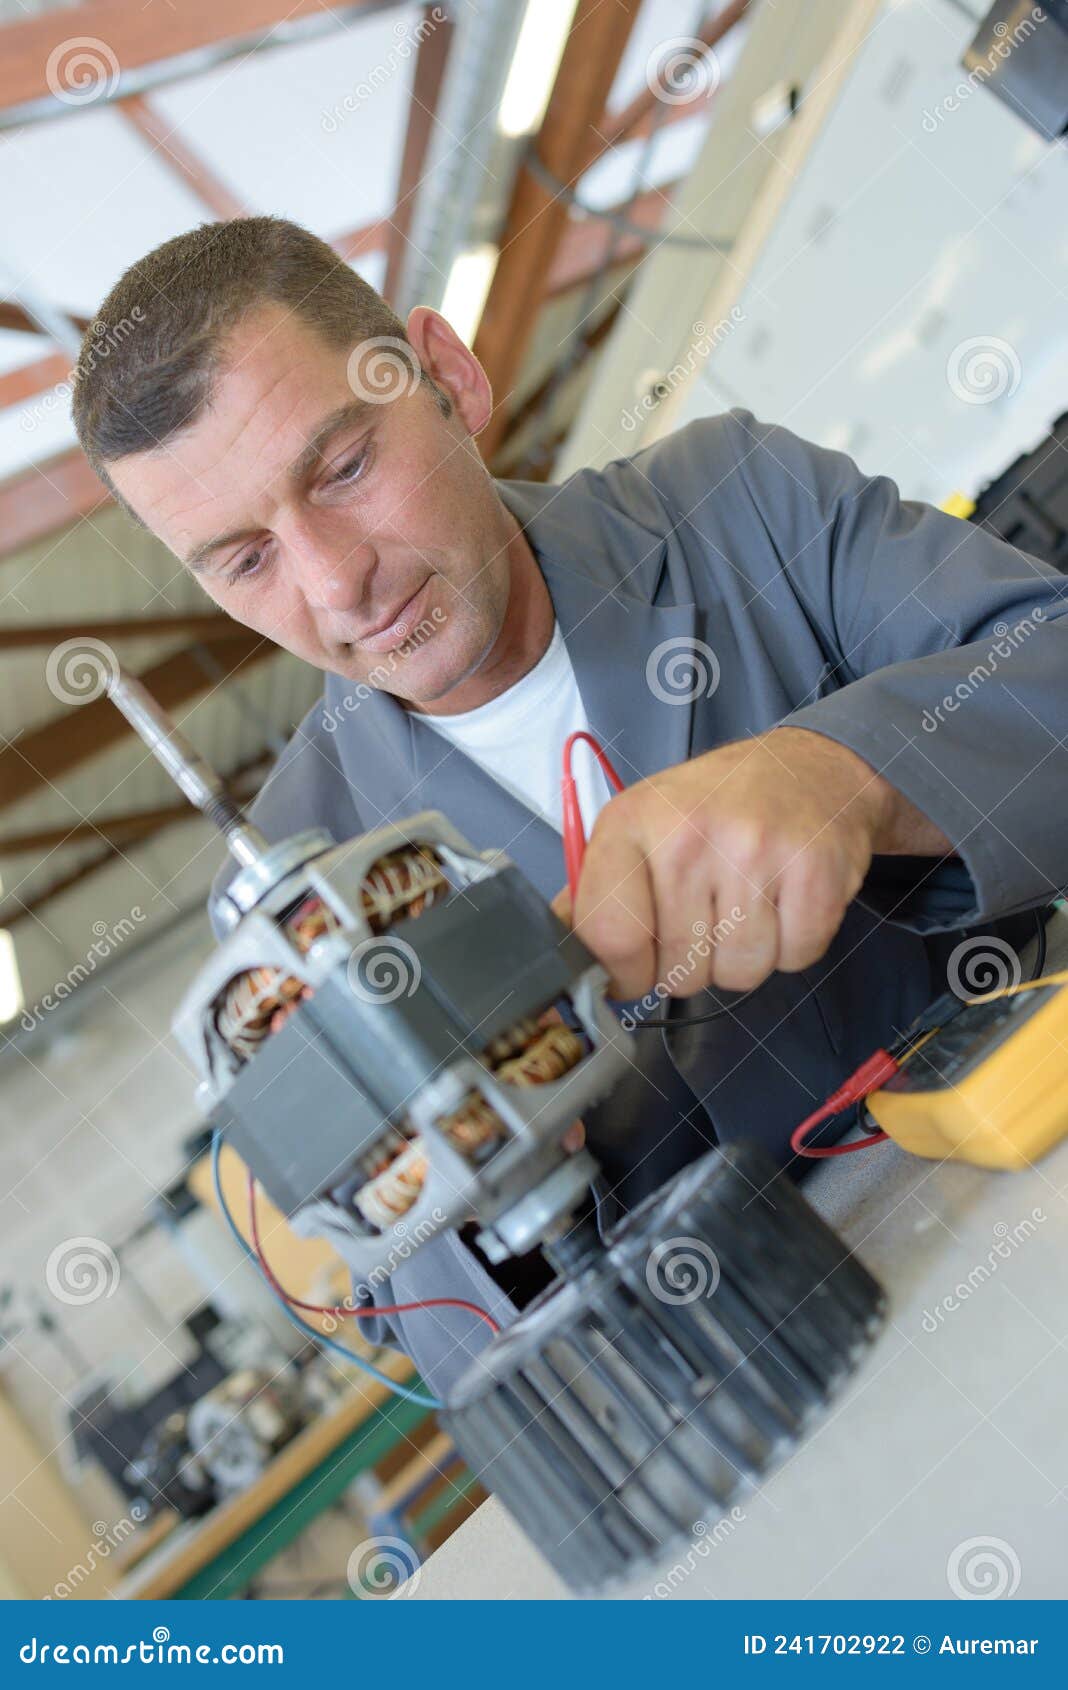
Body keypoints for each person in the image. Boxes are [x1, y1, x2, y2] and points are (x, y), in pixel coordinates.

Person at [71, 217, 1066, 1394]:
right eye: (244, 560)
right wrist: (478, 1167)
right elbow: (420, 1319)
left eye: (342, 469)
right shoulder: (300, 899)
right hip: (752, 1389)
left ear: (447, 378)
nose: (337, 585)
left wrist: (853, 774)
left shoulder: (739, 505)